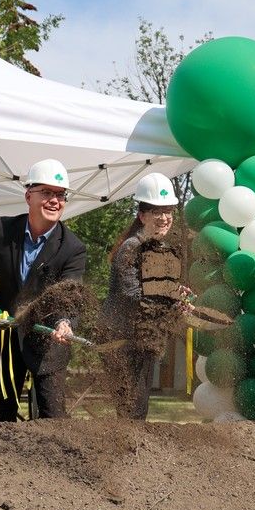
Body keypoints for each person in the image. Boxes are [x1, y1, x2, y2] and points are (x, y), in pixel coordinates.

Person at [0, 158, 86, 421]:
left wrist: (64, 322)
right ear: (28, 196)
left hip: (48, 342)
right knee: (2, 418)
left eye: (60, 195)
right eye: (46, 193)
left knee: (53, 418)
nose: (54, 200)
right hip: (5, 338)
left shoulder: (73, 248)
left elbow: (70, 295)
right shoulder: (1, 229)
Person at [98, 173, 180, 419]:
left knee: (138, 408)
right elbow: (131, 292)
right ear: (142, 216)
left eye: (168, 211)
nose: (164, 218)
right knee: (131, 409)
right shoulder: (132, 246)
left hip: (142, 336)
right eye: (157, 212)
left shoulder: (160, 249)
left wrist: (178, 296)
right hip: (121, 337)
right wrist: (170, 302)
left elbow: (159, 289)